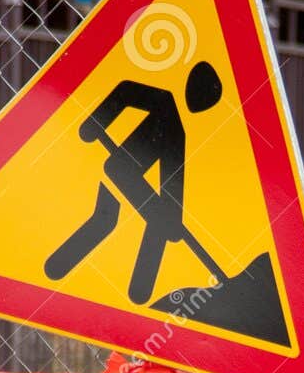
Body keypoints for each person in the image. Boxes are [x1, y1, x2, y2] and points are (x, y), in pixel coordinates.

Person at [45, 60, 225, 305]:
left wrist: (174, 215)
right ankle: (137, 291)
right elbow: (126, 91)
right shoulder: (165, 102)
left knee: (107, 220)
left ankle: (61, 270)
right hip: (122, 169)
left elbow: (172, 176)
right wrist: (94, 123)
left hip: (125, 172)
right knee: (150, 222)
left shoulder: (178, 129)